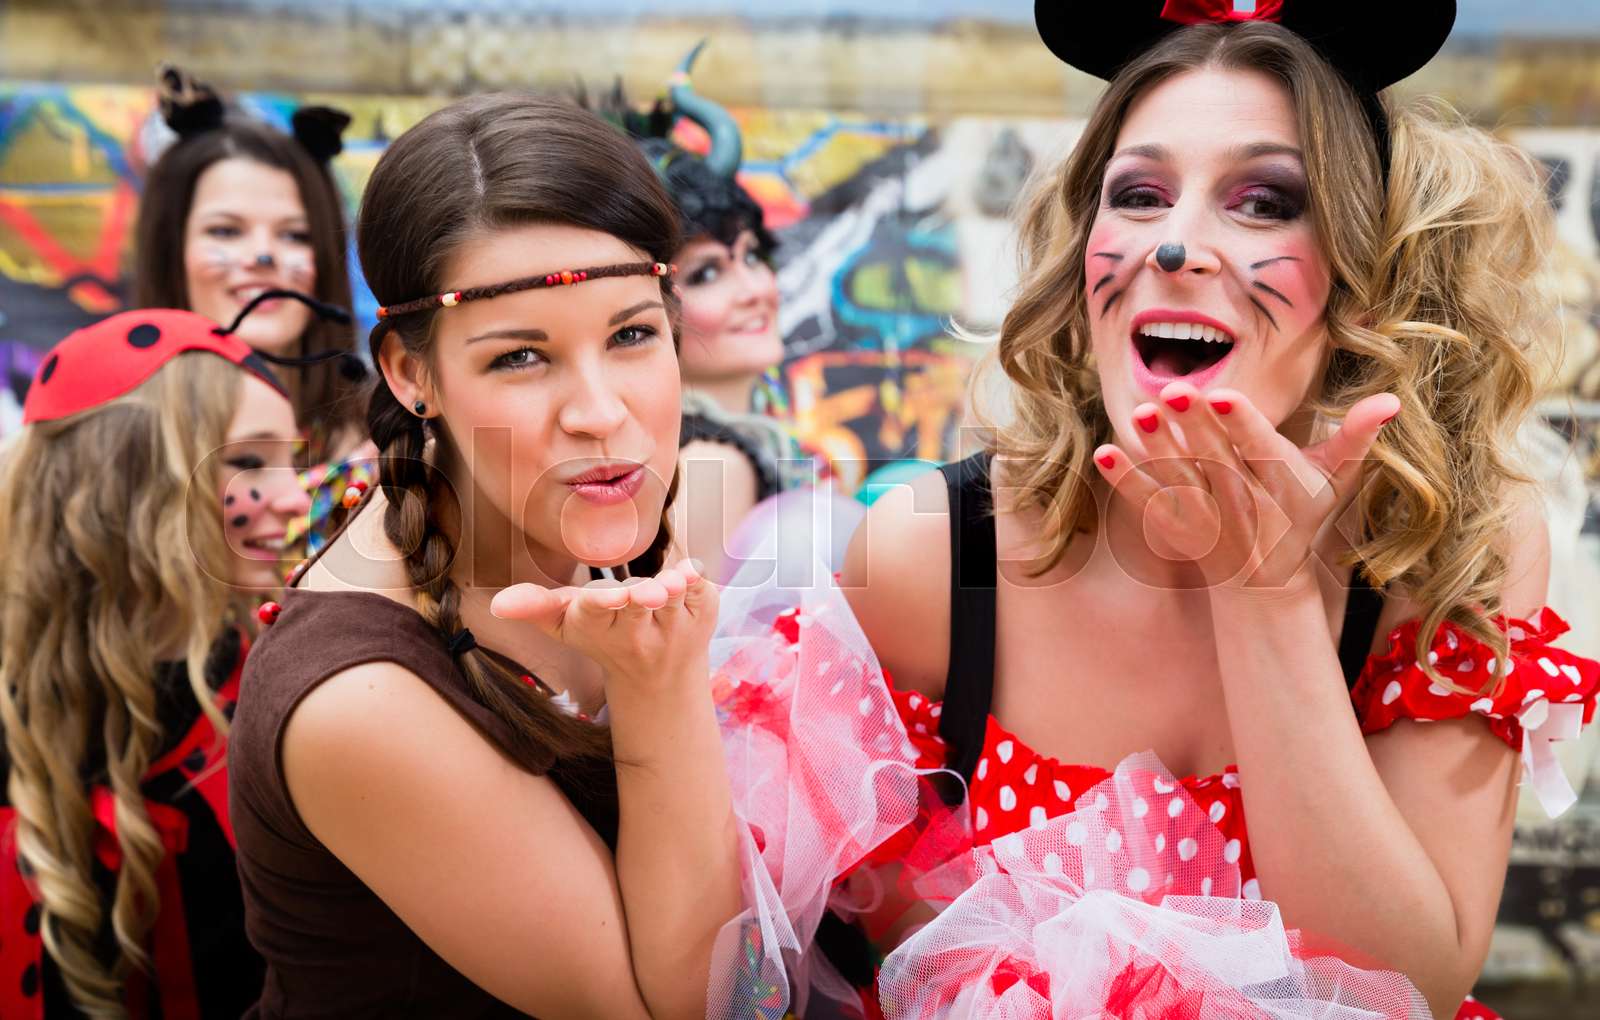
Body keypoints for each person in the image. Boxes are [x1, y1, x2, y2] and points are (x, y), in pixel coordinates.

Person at [842, 3, 1599, 1017]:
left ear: (1361, 286)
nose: (1173, 246)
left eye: (1263, 201)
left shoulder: (1453, 550)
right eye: (1140, 194)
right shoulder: (929, 557)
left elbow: (1400, 989)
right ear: (1083, 265)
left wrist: (1267, 594)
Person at [227, 93, 749, 1019]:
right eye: (520, 358)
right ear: (412, 373)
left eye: (632, 334)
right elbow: (688, 1007)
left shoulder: (573, 521)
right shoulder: (360, 704)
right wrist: (661, 689)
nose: (597, 410)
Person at [0, 305, 310, 1017]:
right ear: (129, 483)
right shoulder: (17, 701)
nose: (295, 496)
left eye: (291, 456)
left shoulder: (286, 687)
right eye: (249, 460)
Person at [135, 65, 374, 554]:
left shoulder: (385, 439)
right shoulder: (116, 440)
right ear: (170, 251)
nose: (263, 257)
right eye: (226, 231)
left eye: (295, 235)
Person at [606, 45, 812, 577]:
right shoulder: (711, 467)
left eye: (750, 255)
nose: (753, 289)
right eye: (706, 273)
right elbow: (685, 651)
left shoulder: (713, 449)